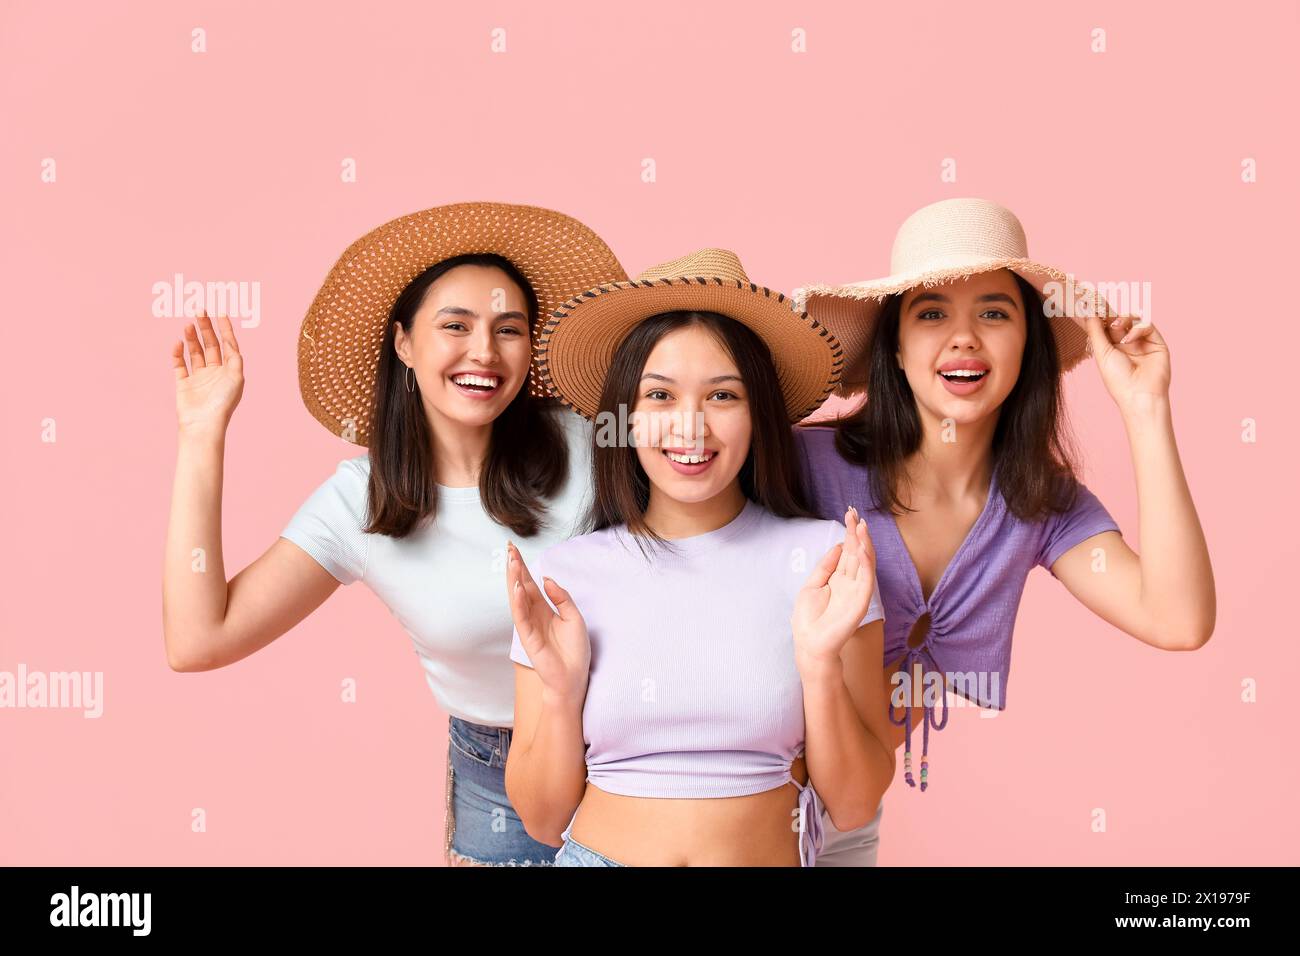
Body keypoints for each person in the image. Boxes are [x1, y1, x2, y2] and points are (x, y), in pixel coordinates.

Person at [161, 202, 625, 866]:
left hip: (637, 759)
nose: (484, 352)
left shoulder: (593, 442)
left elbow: (723, 479)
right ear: (404, 343)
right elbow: (199, 638)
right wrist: (202, 435)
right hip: (497, 782)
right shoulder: (362, 501)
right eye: (455, 326)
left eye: (509, 329)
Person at [789, 197, 1216, 865]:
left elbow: (1177, 619)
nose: (964, 338)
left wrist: (1145, 409)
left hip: (851, 829)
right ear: (895, 348)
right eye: (932, 314)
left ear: (1028, 344)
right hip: (737, 814)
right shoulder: (802, 467)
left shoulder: (1038, 504)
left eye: (994, 313)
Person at [503, 249, 896, 866]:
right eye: (659, 395)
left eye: (722, 396)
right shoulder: (568, 576)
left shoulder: (823, 563)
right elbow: (544, 822)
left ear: (757, 413)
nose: (690, 427)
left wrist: (819, 664)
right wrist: (559, 692)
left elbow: (850, 805)